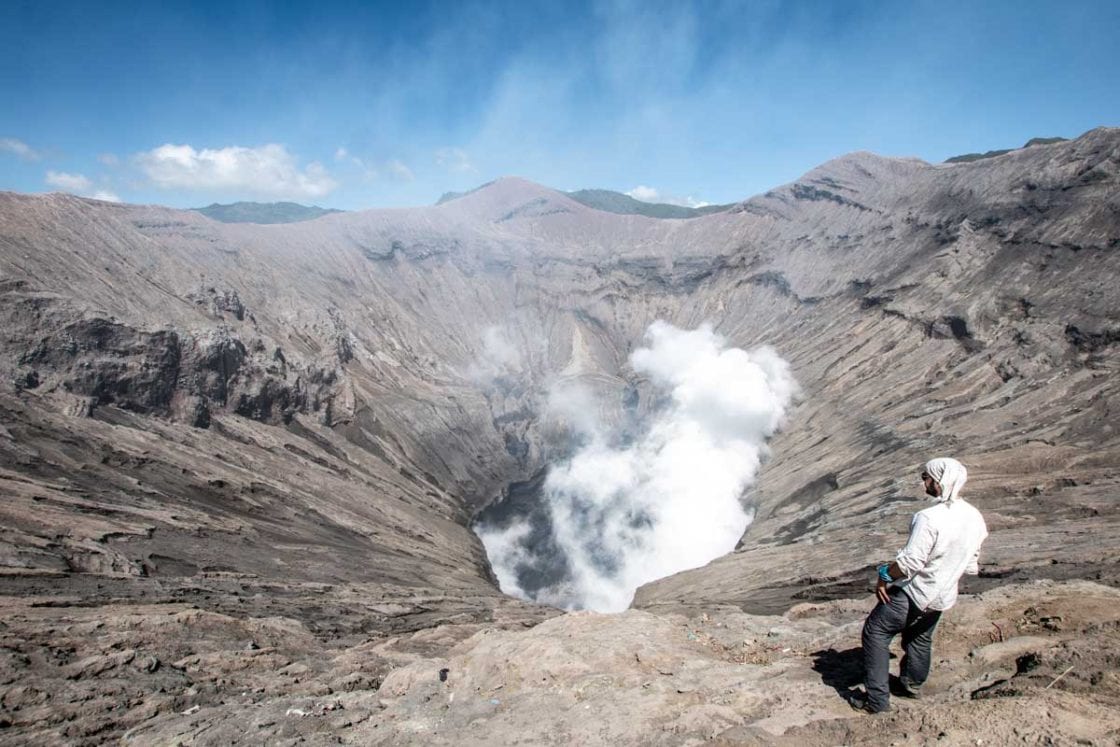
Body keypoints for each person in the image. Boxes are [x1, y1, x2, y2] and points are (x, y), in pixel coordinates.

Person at [852, 457, 988, 713]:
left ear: (939, 481)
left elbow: (910, 563)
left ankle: (877, 702)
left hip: (916, 592)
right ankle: (911, 685)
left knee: (876, 632)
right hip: (943, 595)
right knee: (919, 638)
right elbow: (971, 564)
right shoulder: (975, 517)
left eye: (926, 476)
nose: (923, 481)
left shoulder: (928, 518)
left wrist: (884, 575)